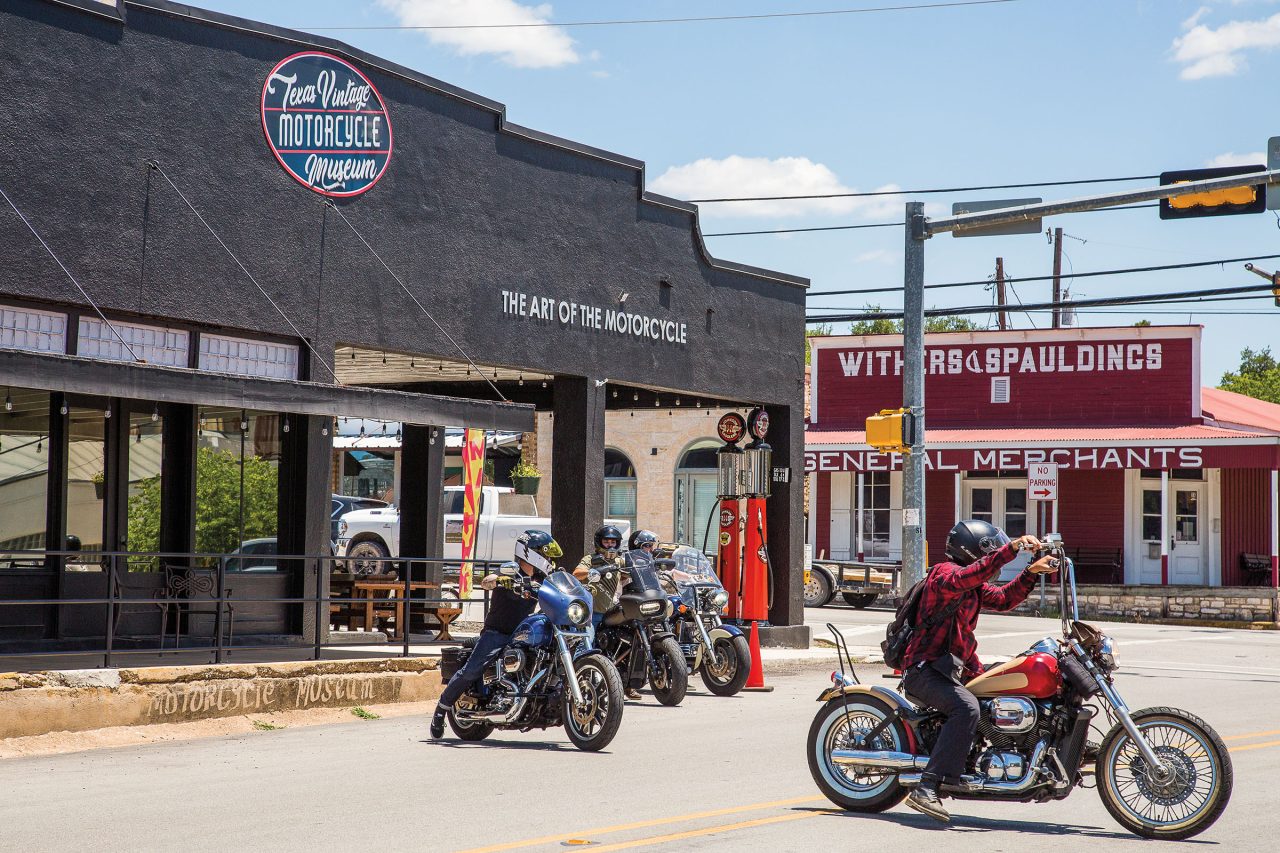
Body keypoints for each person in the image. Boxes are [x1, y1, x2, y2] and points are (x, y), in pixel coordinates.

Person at [901, 520, 1058, 823]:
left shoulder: (970, 585)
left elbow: (1002, 599)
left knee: (1009, 685)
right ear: (972, 550)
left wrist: (1031, 573)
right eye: (990, 550)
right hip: (925, 670)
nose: (995, 554)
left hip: (954, 669)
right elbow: (972, 575)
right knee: (966, 708)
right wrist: (1011, 549)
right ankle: (927, 787)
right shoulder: (945, 576)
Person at [430, 530, 562, 739]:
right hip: (498, 633)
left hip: (524, 633)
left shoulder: (542, 579)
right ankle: (440, 710)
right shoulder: (510, 572)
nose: (549, 560)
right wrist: (501, 580)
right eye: (546, 555)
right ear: (531, 553)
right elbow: (487, 581)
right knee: (471, 671)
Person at [575, 525, 643, 698]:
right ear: (599, 542)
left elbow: (631, 572)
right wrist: (593, 571)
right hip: (591, 613)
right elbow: (577, 573)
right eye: (607, 541)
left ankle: (627, 684)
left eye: (613, 542)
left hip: (611, 612)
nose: (610, 545)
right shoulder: (591, 559)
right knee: (586, 643)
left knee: (629, 641)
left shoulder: (619, 561)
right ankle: (576, 681)